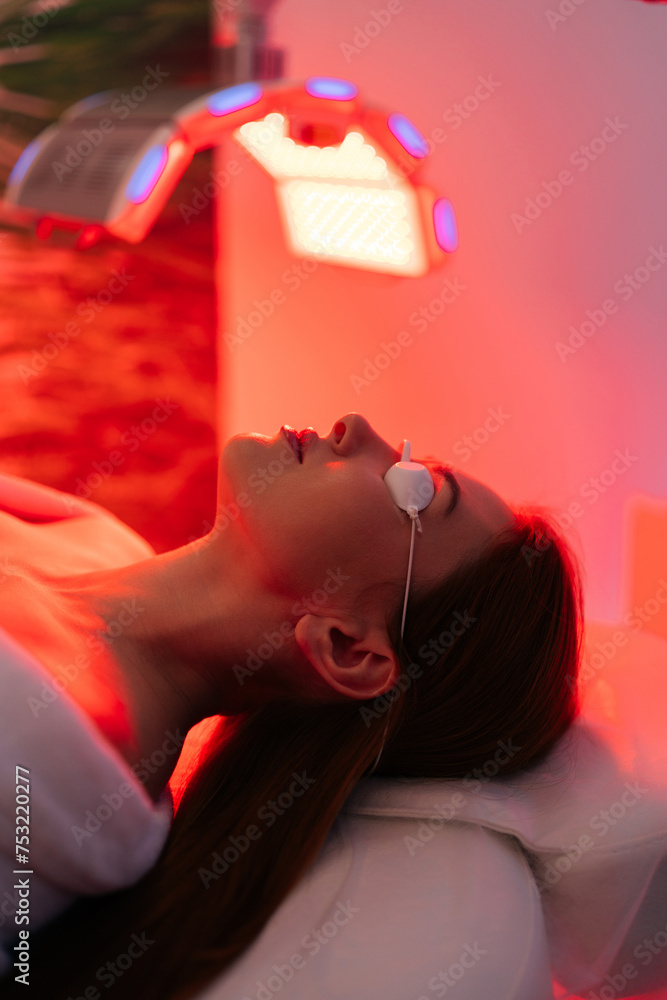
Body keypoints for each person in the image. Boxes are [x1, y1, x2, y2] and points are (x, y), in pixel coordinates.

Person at [0, 412, 583, 1000]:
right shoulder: (90, 535)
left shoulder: (63, 771)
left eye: (416, 487)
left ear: (348, 649)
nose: (354, 425)